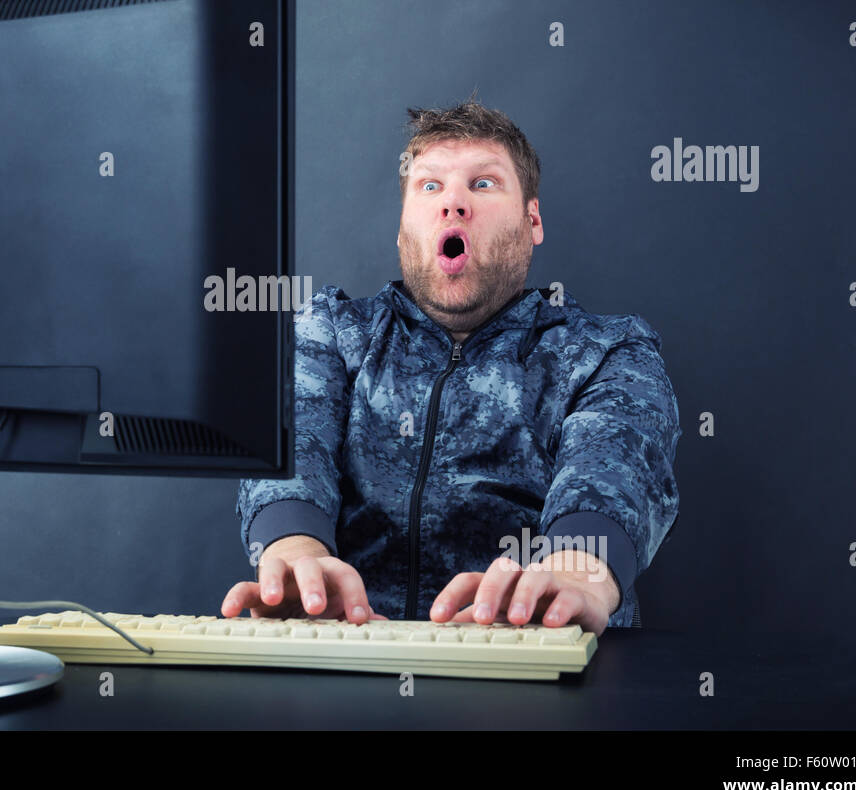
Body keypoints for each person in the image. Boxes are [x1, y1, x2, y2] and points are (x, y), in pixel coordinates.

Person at [221, 95, 681, 634]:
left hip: (531, 658)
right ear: (402, 227)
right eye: (430, 185)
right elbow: (296, 446)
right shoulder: (331, 332)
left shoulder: (605, 350)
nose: (453, 203)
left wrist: (575, 577)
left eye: (483, 184)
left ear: (532, 220)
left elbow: (615, 468)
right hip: (350, 655)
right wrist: (298, 556)